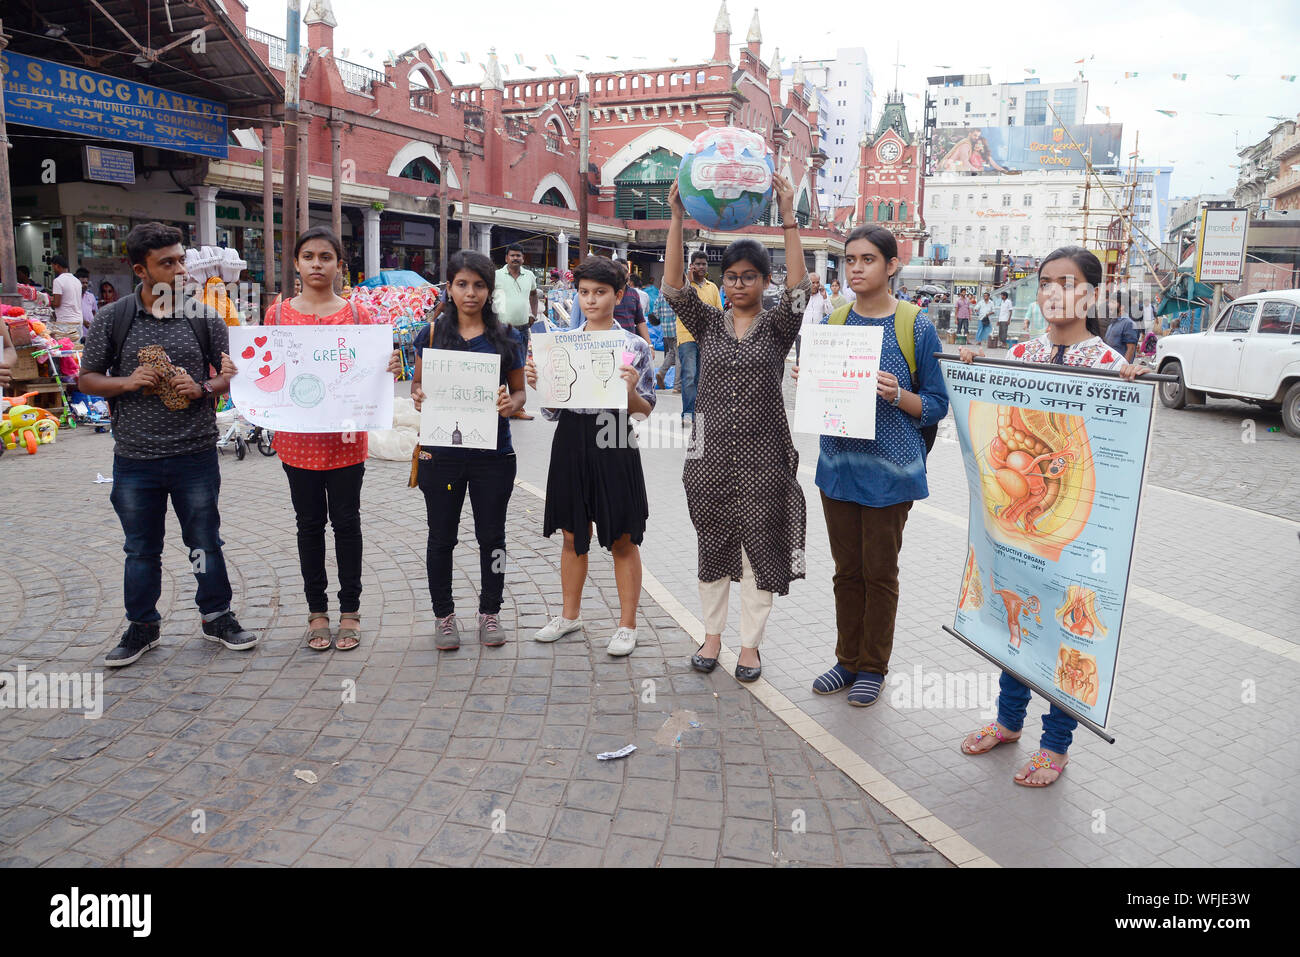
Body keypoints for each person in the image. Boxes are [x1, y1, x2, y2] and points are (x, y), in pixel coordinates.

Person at [958, 246, 1147, 787]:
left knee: (1069, 629)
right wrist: (975, 369)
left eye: (1068, 282)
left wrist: (1131, 388)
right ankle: (1008, 721)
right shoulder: (1019, 353)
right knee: (1018, 620)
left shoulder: (1112, 366)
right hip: (1021, 523)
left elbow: (1122, 453)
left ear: (1093, 292)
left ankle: (1056, 745)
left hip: (1081, 533)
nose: (1055, 292)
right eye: (1045, 282)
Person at [78, 222, 256, 666]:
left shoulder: (204, 316)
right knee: (141, 548)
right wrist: (126, 381)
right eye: (168, 263)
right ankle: (142, 625)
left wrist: (204, 387)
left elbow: (227, 374)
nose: (180, 270)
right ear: (141, 269)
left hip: (195, 453)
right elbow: (86, 378)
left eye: (181, 260)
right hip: (135, 459)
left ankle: (216, 616)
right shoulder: (113, 318)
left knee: (204, 541)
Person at [223, 226, 402, 652]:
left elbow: (373, 372)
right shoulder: (278, 316)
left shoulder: (360, 317)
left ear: (341, 266)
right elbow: (264, 369)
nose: (317, 264)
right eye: (309, 256)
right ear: (297, 264)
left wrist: (391, 365)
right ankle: (316, 612)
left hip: (345, 441)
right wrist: (238, 374)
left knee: (347, 524)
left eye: (326, 257)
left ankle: (350, 611)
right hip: (298, 443)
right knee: (308, 526)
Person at [793, 226, 950, 707]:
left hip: (891, 472)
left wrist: (896, 395)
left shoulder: (915, 325)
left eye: (867, 259)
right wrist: (811, 378)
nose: (856, 268)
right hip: (838, 468)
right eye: (849, 260)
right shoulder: (836, 322)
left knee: (880, 572)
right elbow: (824, 398)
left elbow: (939, 404)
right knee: (847, 571)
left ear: (891, 266)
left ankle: (873, 666)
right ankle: (846, 659)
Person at [664, 176, 809, 682]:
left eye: (750, 276)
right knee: (712, 543)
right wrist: (678, 217)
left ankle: (750, 646)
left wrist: (788, 214)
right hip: (707, 453)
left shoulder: (778, 326)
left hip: (765, 455)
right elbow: (672, 287)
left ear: (764, 282)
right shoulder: (707, 324)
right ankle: (712, 637)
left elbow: (801, 290)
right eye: (732, 276)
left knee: (760, 548)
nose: (739, 284)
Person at [524, 255, 656, 656]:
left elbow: (645, 408)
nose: (590, 301)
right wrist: (539, 382)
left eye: (600, 293)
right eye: (584, 293)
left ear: (619, 295)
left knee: (622, 537)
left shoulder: (633, 346)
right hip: (571, 438)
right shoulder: (561, 344)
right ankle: (569, 615)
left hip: (614, 436)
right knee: (570, 533)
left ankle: (627, 624)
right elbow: (550, 411)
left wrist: (630, 389)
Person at [411, 250, 526, 650]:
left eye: (479, 285)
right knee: (441, 538)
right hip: (441, 455)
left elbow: (519, 393)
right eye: (462, 284)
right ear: (449, 287)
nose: (470, 293)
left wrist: (512, 405)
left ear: (489, 290)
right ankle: (444, 617)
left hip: (494, 456)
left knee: (492, 537)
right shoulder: (429, 335)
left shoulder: (507, 338)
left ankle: (489, 613)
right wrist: (418, 394)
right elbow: (417, 387)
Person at [494, 244, 538, 421]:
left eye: (518, 256)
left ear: (523, 258)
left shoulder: (530, 276)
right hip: (500, 330)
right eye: (512, 256)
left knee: (518, 370)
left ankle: (517, 409)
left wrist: (533, 314)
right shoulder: (496, 275)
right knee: (499, 368)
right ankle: (499, 406)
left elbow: (534, 295)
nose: (515, 258)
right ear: (506, 258)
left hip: (521, 330)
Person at [679, 251, 715, 419]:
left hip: (707, 338)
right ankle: (688, 413)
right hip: (687, 337)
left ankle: (700, 414)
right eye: (698, 264)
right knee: (689, 375)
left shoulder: (712, 287)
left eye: (704, 264)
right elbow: (679, 295)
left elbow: (718, 313)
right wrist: (689, 278)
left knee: (703, 378)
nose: (701, 267)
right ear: (691, 265)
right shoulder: (685, 285)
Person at [610, 257, 652, 344]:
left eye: (624, 271)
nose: (621, 274)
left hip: (630, 344)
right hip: (611, 343)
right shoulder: (607, 292)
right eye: (618, 270)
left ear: (628, 274)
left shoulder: (634, 294)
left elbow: (640, 321)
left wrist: (649, 344)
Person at [651, 275, 681, 390]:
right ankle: (678, 385)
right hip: (678, 330)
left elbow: (655, 314)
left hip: (666, 331)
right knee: (679, 357)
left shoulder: (660, 296)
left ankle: (661, 373)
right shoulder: (677, 296)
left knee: (671, 353)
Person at [50, 255, 83, 336]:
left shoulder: (58, 281)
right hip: (78, 319)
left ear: (57, 266)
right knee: (77, 347)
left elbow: (57, 303)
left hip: (66, 322)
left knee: (66, 347)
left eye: (53, 267)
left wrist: (47, 300)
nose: (53, 269)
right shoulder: (76, 281)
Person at [75, 267, 98, 342]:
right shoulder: (73, 297)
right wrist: (83, 321)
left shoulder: (91, 296)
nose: (84, 285)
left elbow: (95, 313)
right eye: (82, 283)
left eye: (86, 283)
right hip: (77, 334)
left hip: (90, 334)